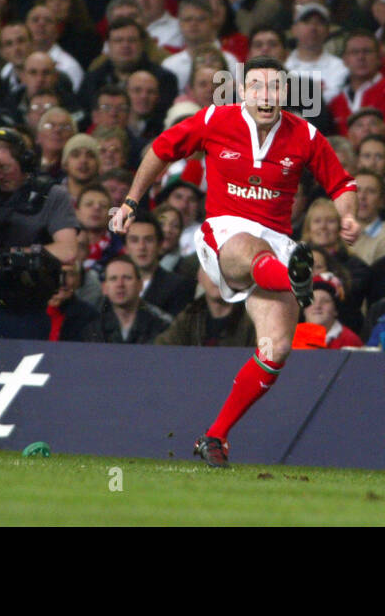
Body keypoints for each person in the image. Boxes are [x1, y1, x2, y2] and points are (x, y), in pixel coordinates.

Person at [109, 56, 359, 467]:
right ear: (243, 91)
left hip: (278, 243)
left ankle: (215, 437)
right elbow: (160, 149)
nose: (265, 95)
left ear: (286, 94)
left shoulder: (305, 135)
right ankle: (303, 280)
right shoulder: (213, 120)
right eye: (257, 86)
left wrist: (347, 215)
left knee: (276, 347)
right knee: (249, 249)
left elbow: (343, 183)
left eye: (275, 87)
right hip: (224, 233)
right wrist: (132, 201)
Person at [0, 127, 79, 340]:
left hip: (24, 311)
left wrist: (7, 254)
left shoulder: (50, 195)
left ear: (25, 160)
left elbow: (68, 250)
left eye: (4, 164)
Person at [98, 253, 173, 344]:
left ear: (140, 285)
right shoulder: (95, 326)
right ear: (104, 288)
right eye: (113, 279)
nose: (120, 285)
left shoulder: (162, 325)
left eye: (127, 278)